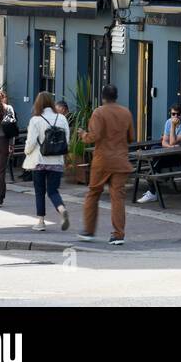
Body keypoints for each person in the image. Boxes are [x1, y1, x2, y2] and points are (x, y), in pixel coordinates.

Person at [78, 83, 135, 246]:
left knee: (93, 193)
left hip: (102, 160)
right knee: (118, 197)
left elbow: (93, 137)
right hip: (120, 161)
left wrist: (83, 134)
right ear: (116, 96)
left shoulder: (99, 112)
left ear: (103, 97)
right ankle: (118, 234)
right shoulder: (126, 112)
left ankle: (89, 231)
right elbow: (131, 137)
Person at [24, 91, 70, 232]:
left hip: (39, 160)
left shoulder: (35, 120)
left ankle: (41, 221)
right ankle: (61, 209)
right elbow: (66, 140)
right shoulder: (62, 118)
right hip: (56, 161)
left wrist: (26, 151)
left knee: (39, 191)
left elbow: (31, 142)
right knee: (52, 191)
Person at [137, 104, 181, 203]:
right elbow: (164, 142)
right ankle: (154, 183)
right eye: (173, 114)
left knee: (155, 163)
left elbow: (173, 141)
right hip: (171, 152)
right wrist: (171, 147)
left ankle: (153, 189)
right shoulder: (168, 122)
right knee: (155, 149)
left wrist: (173, 127)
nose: (175, 117)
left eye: (178, 114)